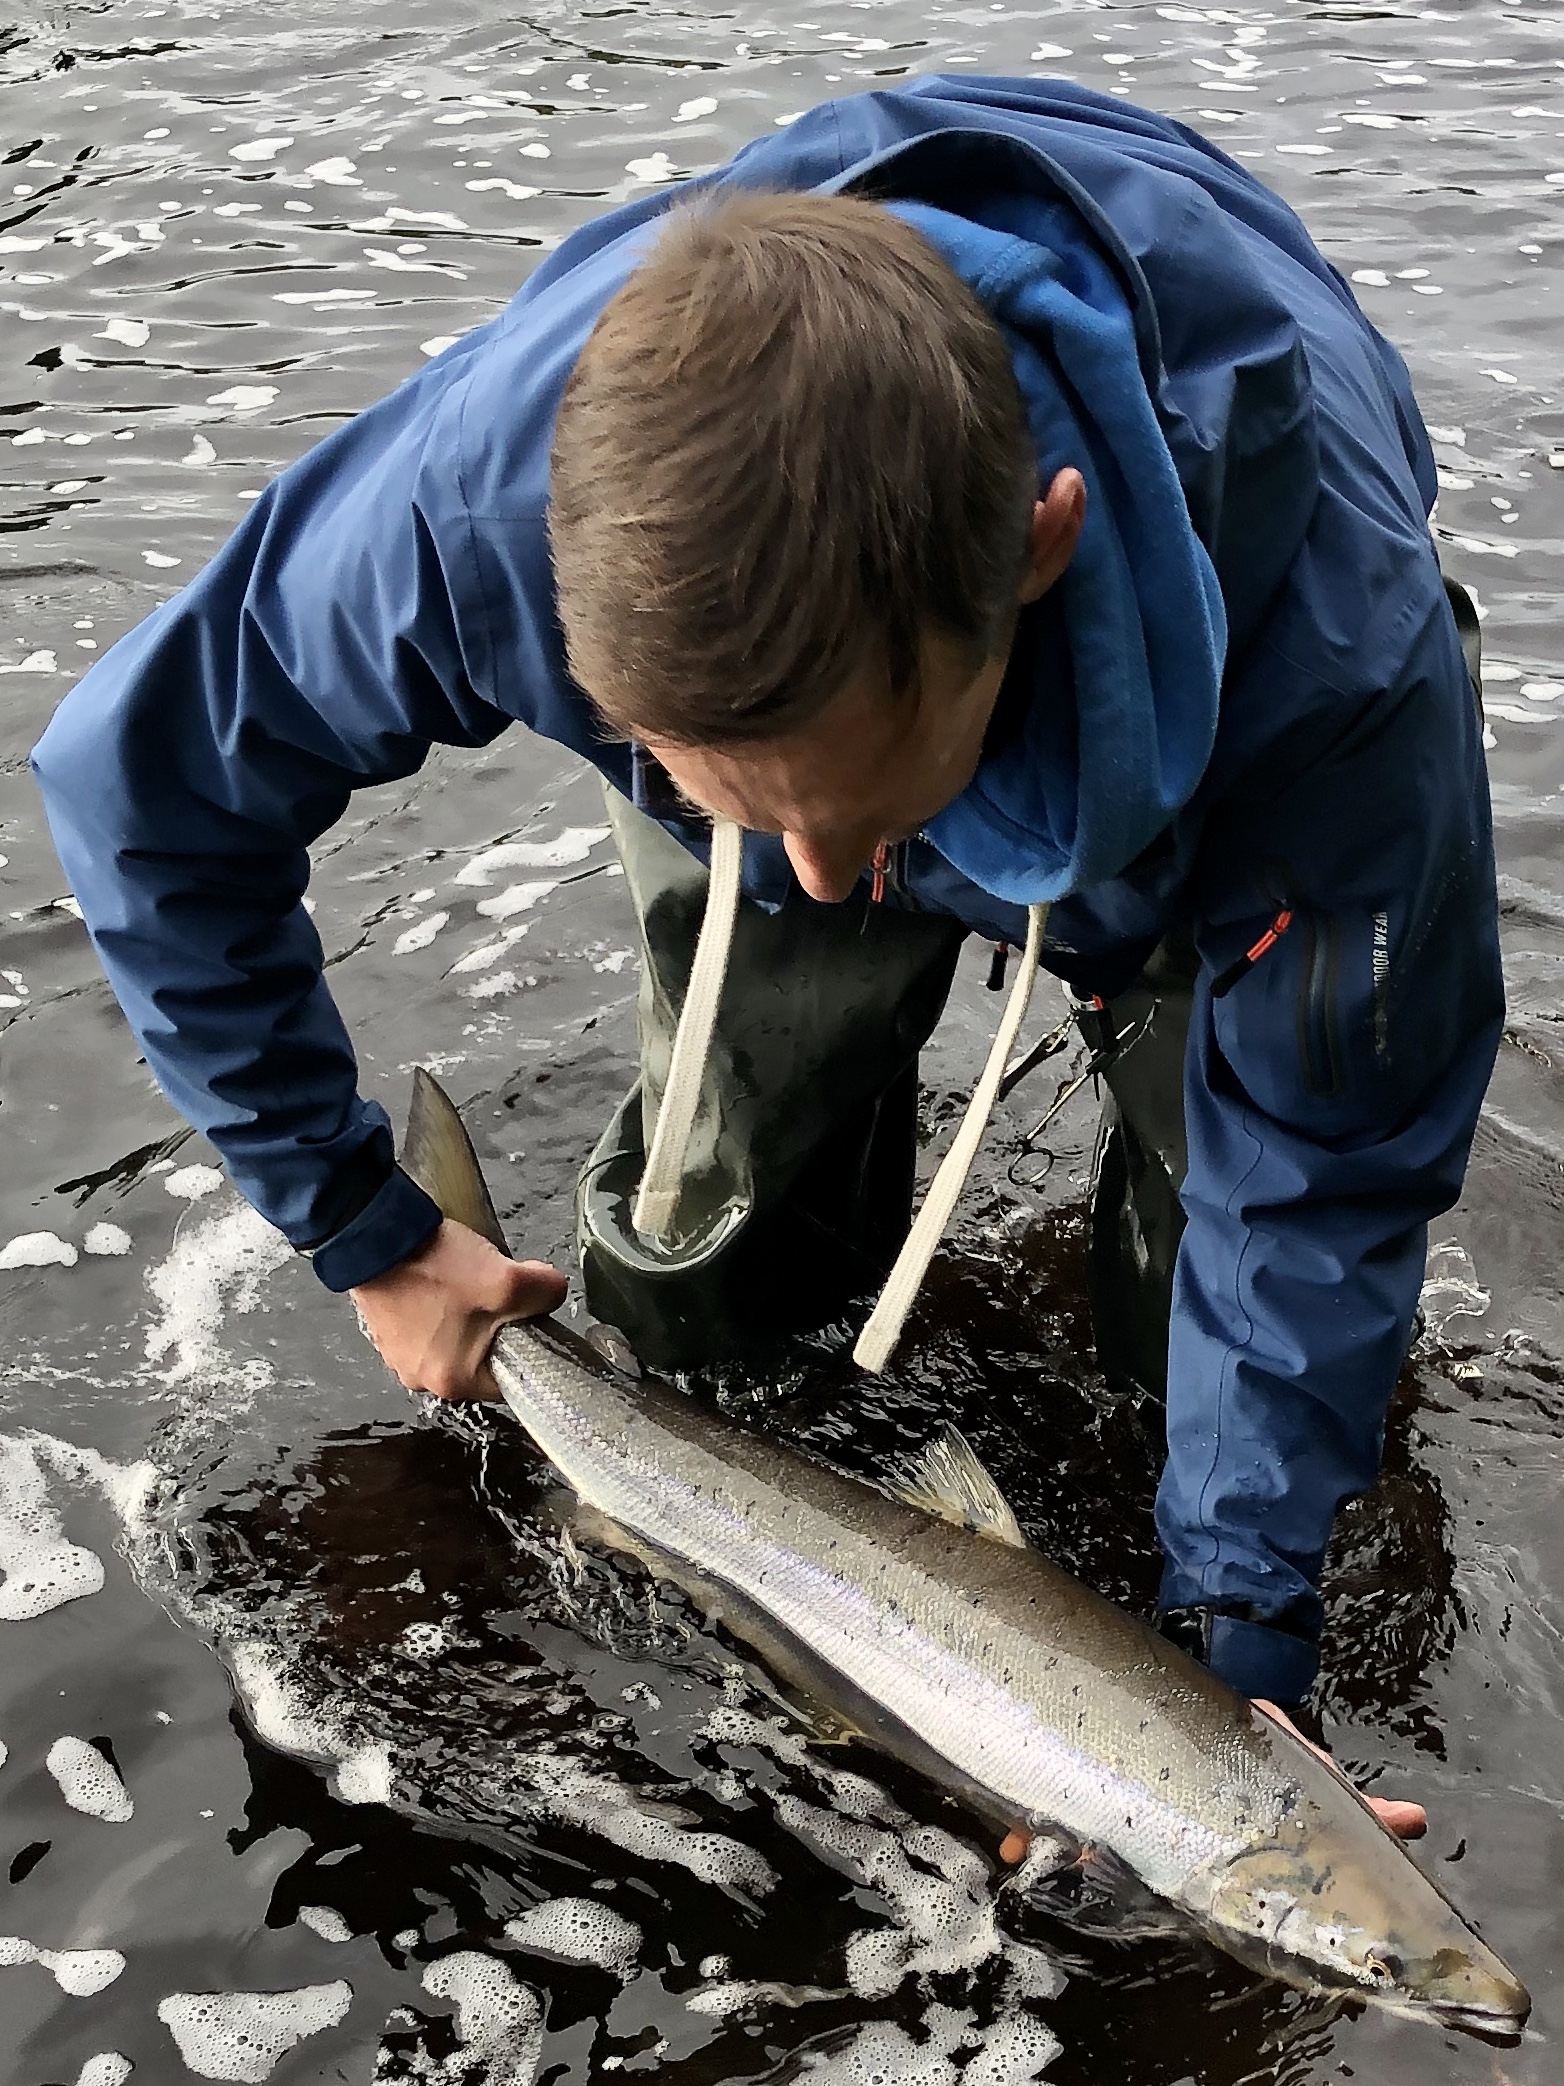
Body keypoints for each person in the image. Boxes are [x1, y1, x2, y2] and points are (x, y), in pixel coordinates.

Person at [32, 77, 1497, 1840]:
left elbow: (1327, 1177)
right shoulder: (491, 508)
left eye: (854, 811)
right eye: (740, 801)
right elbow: (143, 786)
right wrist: (365, 1224)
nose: (820, 876)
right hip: (804, 679)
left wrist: (1237, 1655)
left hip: (1224, 725)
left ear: (1039, 550)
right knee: (708, 1285)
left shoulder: (1345, 697)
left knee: (1206, 1317)